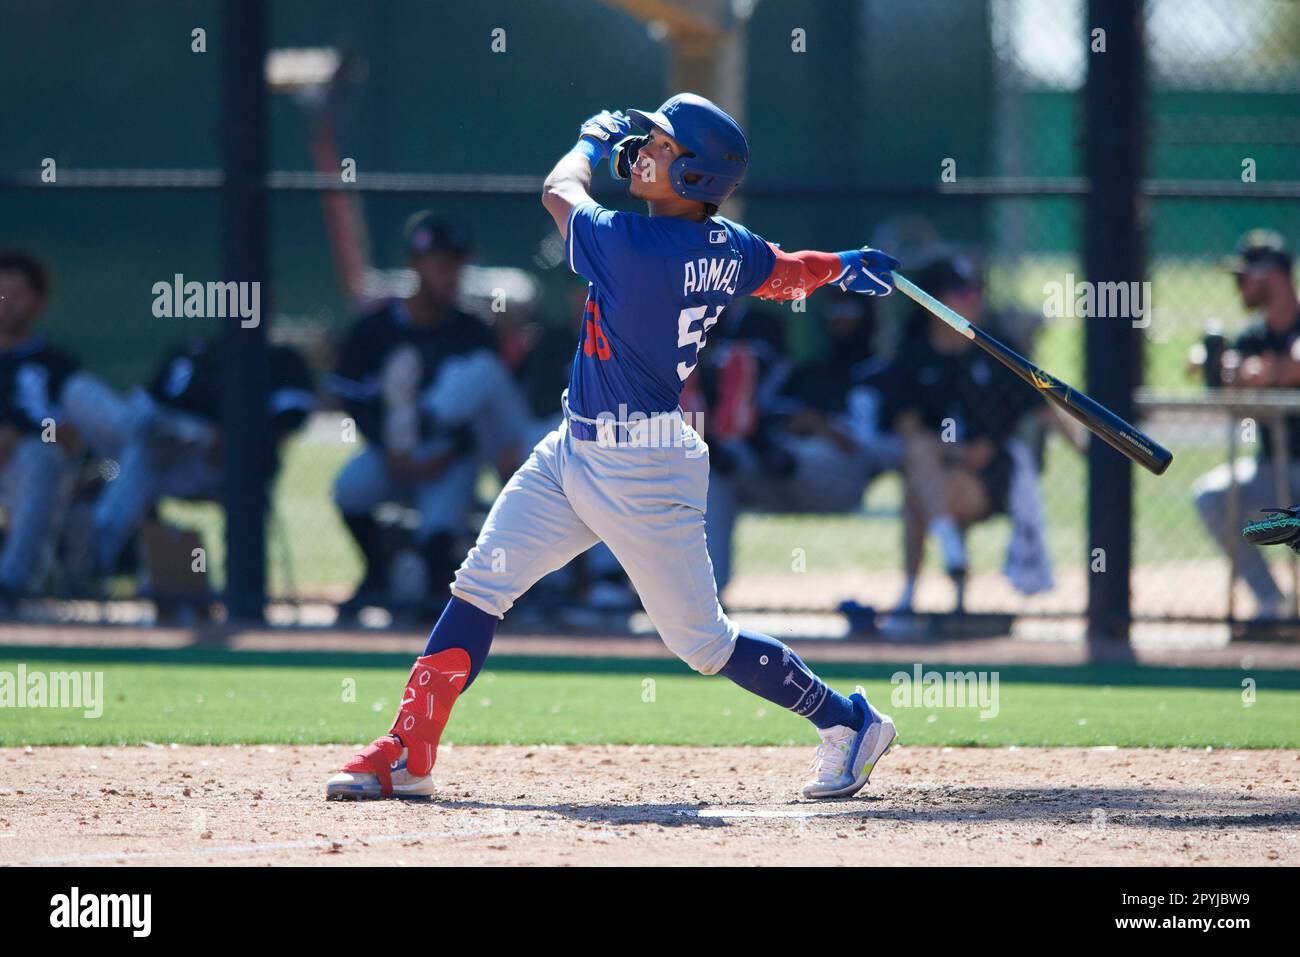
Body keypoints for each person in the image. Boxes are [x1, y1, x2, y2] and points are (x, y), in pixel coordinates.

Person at [326, 93, 902, 801]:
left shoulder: (634, 244)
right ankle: (408, 747)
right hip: (575, 448)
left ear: (693, 177)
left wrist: (590, 144)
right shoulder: (724, 243)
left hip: (644, 468)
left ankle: (848, 721)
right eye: (649, 141)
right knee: (481, 584)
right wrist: (842, 264)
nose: (645, 150)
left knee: (705, 643)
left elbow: (556, 191)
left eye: (662, 147)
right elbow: (784, 272)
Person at [327, 214, 531, 618]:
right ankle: (377, 574)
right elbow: (351, 397)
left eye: (456, 264)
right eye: (439, 263)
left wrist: (451, 450)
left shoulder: (471, 329)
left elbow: (483, 414)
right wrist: (388, 448)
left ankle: (428, 590)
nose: (450, 274)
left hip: (448, 456)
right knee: (349, 487)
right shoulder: (377, 327)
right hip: (391, 450)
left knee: (436, 535)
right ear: (415, 264)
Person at [876, 254, 1078, 619]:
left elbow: (1044, 410)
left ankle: (910, 597)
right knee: (919, 462)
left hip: (988, 477)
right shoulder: (915, 352)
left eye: (975, 292)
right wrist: (955, 450)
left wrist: (1088, 449)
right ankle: (942, 557)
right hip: (940, 468)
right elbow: (905, 424)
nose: (974, 300)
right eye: (962, 293)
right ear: (933, 300)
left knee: (917, 491)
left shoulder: (997, 348)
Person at [64, 336, 316, 580]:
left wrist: (237, 439)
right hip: (154, 445)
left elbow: (290, 419)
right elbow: (150, 399)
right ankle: (91, 554)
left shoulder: (282, 360)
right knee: (84, 394)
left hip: (214, 465)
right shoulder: (195, 350)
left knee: (147, 447)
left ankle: (91, 555)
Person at [703, 291, 897, 595]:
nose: (839, 320)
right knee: (715, 469)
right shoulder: (811, 371)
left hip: (842, 474)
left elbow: (894, 447)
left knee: (793, 454)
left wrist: (830, 430)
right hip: (780, 468)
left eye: (848, 309)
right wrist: (795, 422)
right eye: (832, 311)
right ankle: (707, 598)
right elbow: (773, 411)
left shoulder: (886, 375)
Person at [1190, 230, 1300, 618]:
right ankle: (1275, 602)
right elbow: (1221, 364)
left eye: (1244, 276)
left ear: (1273, 276)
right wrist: (1213, 361)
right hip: (1273, 468)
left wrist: (1266, 373)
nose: (1238, 286)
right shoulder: (1254, 335)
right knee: (1211, 498)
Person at [0, 252, 81, 610]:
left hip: (28, 468)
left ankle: (9, 590)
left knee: (40, 457)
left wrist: (26, 433)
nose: (6, 305)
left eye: (17, 295)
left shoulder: (55, 364)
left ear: (37, 301)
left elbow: (69, 436)